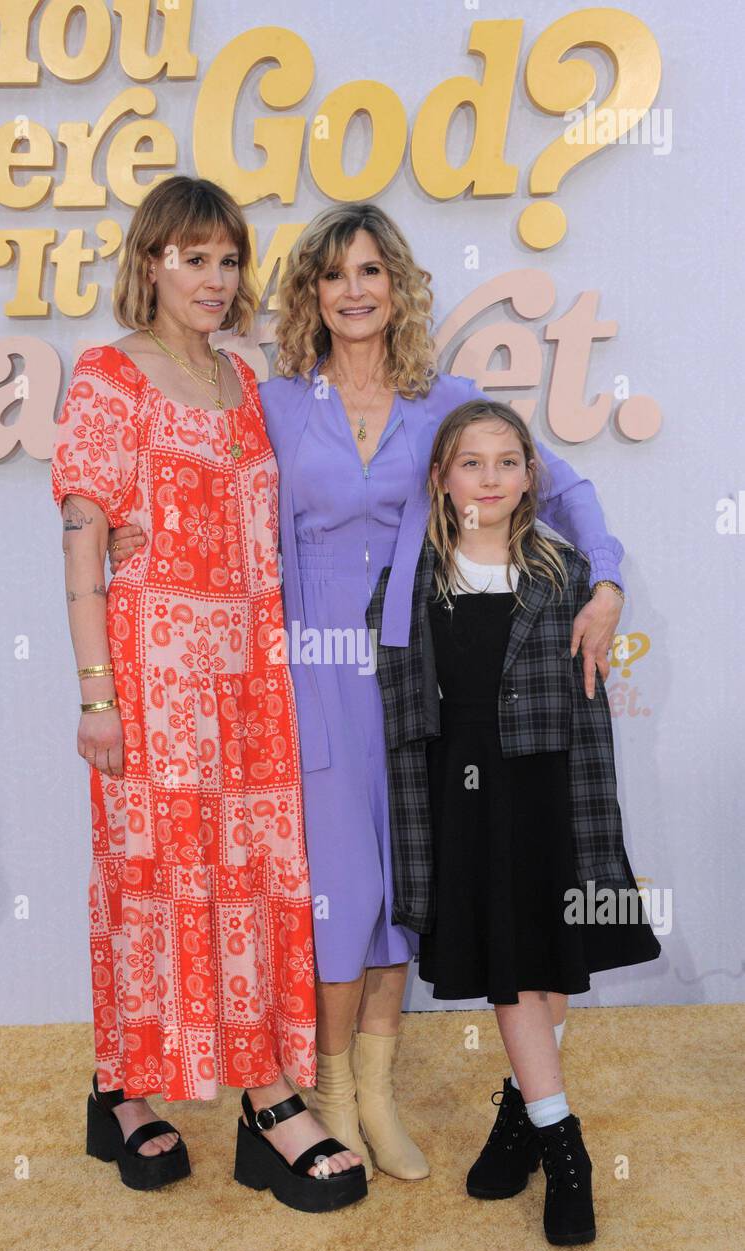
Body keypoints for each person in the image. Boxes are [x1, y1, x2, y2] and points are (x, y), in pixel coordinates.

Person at [108, 202, 627, 1186]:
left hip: (413, 678)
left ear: (398, 287)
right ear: (311, 292)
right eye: (334, 274)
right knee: (336, 895)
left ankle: (376, 1097)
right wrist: (130, 532)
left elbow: (561, 486)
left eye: (371, 271)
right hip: (298, 679)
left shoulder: (446, 403)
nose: (354, 290)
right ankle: (329, 1095)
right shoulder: (272, 401)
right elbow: (188, 474)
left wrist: (603, 579)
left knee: (397, 893)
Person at [50, 174, 365, 1210]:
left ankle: (262, 1088)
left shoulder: (245, 377)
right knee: (153, 878)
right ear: (150, 264)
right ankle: (126, 1086)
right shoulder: (109, 376)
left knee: (254, 880)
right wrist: (98, 693)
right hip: (153, 675)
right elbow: (84, 545)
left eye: (229, 260)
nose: (216, 279)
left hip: (252, 680)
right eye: (193, 258)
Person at [366, 397, 662, 1243]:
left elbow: (587, 703)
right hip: (461, 801)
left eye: (507, 461)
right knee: (513, 970)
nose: (488, 478)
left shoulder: (567, 574)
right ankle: (565, 1146)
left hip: (551, 794)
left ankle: (521, 1112)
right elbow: (398, 703)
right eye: (470, 463)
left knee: (544, 966)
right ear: (439, 480)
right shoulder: (410, 584)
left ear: (531, 477)